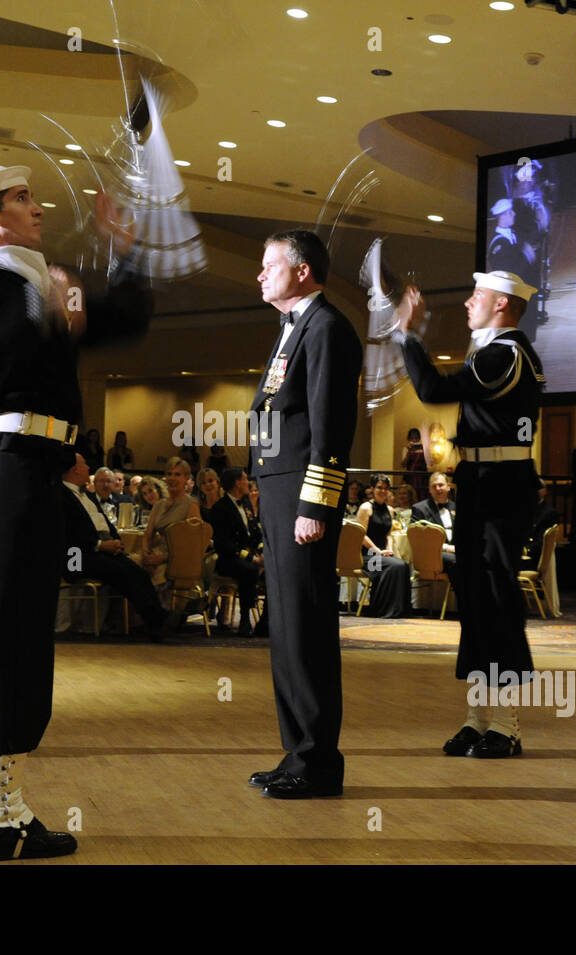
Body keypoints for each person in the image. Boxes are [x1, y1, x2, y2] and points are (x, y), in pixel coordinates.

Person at [0, 163, 152, 861]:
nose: (39, 207)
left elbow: (125, 319)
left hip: (6, 474)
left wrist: (124, 252)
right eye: (23, 199)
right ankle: (4, 816)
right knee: (12, 643)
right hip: (8, 477)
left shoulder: (26, 285)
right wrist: (41, 323)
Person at [394, 270, 544, 759]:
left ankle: (507, 724)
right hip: (482, 485)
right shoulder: (493, 353)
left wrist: (407, 333)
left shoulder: (508, 354)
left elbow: (434, 390)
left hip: (502, 488)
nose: (467, 302)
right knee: (477, 603)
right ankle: (478, 720)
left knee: (497, 599)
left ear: (502, 304)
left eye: (477, 294)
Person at [248, 229, 361, 800]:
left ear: (303, 272)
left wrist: (315, 503)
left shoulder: (329, 329)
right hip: (279, 492)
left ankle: (318, 761)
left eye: (270, 265)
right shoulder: (296, 327)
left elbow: (331, 425)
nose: (260, 274)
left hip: (302, 497)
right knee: (287, 627)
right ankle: (297, 752)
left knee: (308, 627)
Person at [61, 453, 167, 637]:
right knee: (122, 572)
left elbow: (106, 523)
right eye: (85, 464)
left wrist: (116, 541)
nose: (88, 467)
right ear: (75, 469)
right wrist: (100, 544)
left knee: (138, 571)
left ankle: (153, 619)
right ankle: (154, 621)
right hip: (76, 557)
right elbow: (67, 534)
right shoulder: (61, 495)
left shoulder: (88, 495)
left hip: (101, 549)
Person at [207, 467, 262, 636]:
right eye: (245, 479)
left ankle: (267, 621)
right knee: (249, 570)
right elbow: (224, 544)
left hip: (248, 555)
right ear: (237, 483)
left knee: (274, 569)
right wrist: (252, 558)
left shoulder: (245, 503)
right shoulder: (220, 508)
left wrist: (262, 552)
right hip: (227, 559)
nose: (248, 483)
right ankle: (245, 619)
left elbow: (255, 533)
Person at [354, 474, 411, 618]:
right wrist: (378, 551)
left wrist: (390, 549)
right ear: (372, 489)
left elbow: (388, 535)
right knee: (394, 566)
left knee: (403, 566)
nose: (383, 491)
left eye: (386, 488)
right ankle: (382, 610)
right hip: (368, 555)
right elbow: (361, 535)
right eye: (379, 487)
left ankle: (399, 610)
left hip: (382, 554)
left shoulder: (390, 510)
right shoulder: (365, 508)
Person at [141, 456, 200, 587]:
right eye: (169, 474)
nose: (172, 478)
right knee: (131, 564)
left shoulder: (191, 505)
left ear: (186, 478)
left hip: (178, 559)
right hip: (156, 553)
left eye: (177, 474)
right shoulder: (159, 505)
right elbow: (147, 534)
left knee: (158, 574)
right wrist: (147, 555)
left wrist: (161, 559)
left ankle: (160, 606)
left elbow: (192, 544)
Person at [410, 471, 457, 580]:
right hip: (432, 555)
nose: (438, 488)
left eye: (441, 485)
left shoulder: (456, 507)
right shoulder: (420, 509)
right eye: (434, 486)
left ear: (448, 487)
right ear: (430, 490)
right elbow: (417, 538)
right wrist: (446, 547)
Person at [522, 479, 560, 569]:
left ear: (544, 491)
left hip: (534, 558)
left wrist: (523, 550)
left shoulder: (549, 513)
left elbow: (542, 543)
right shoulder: (523, 510)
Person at [400, 427, 428, 501]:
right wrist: (409, 452)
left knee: (422, 496)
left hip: (422, 478)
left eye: (416, 438)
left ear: (419, 439)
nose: (414, 440)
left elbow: (430, 463)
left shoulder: (423, 448)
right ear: (409, 439)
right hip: (411, 477)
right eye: (412, 438)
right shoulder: (406, 449)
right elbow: (403, 465)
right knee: (410, 496)